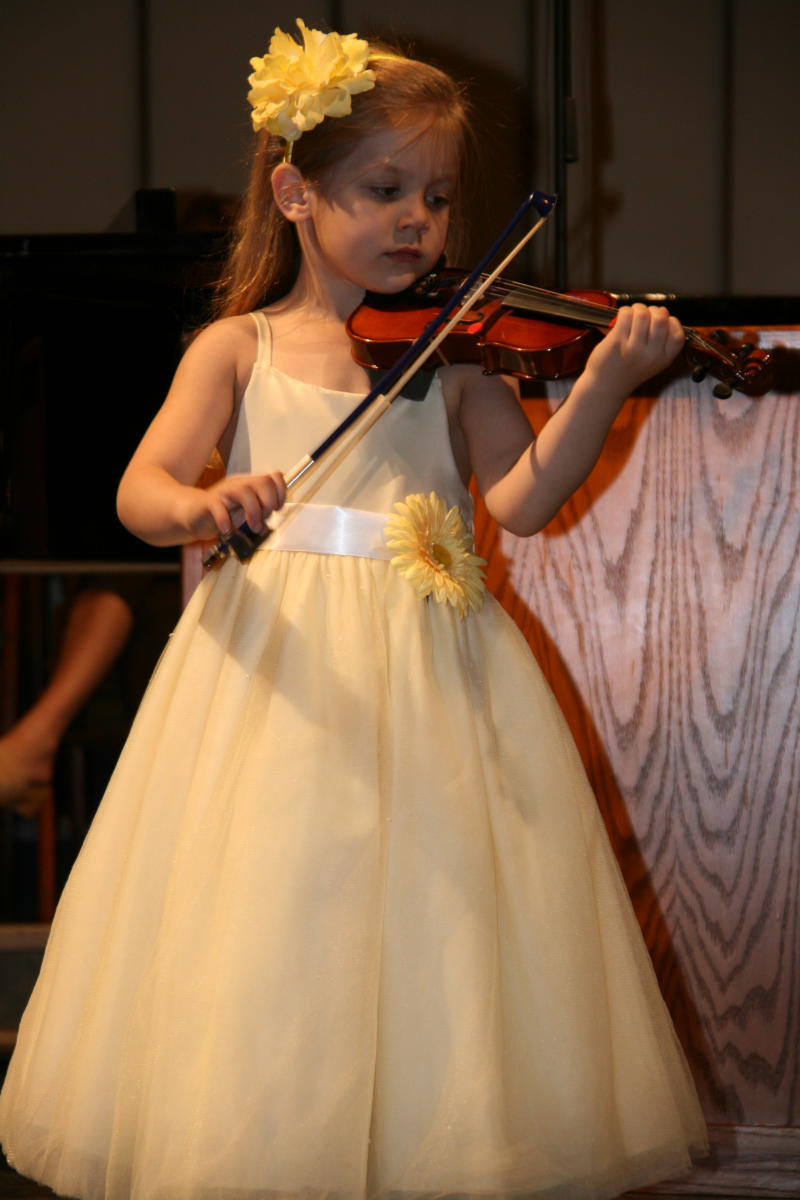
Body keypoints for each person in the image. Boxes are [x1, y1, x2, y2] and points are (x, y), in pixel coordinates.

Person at [0, 20, 708, 1200]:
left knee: (438, 918)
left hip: (434, 658)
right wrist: (206, 500)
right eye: (383, 190)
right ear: (294, 190)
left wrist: (602, 384)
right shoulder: (240, 345)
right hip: (279, 675)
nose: (417, 222)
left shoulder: (458, 356)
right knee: (278, 906)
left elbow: (525, 502)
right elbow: (140, 490)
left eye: (434, 197)